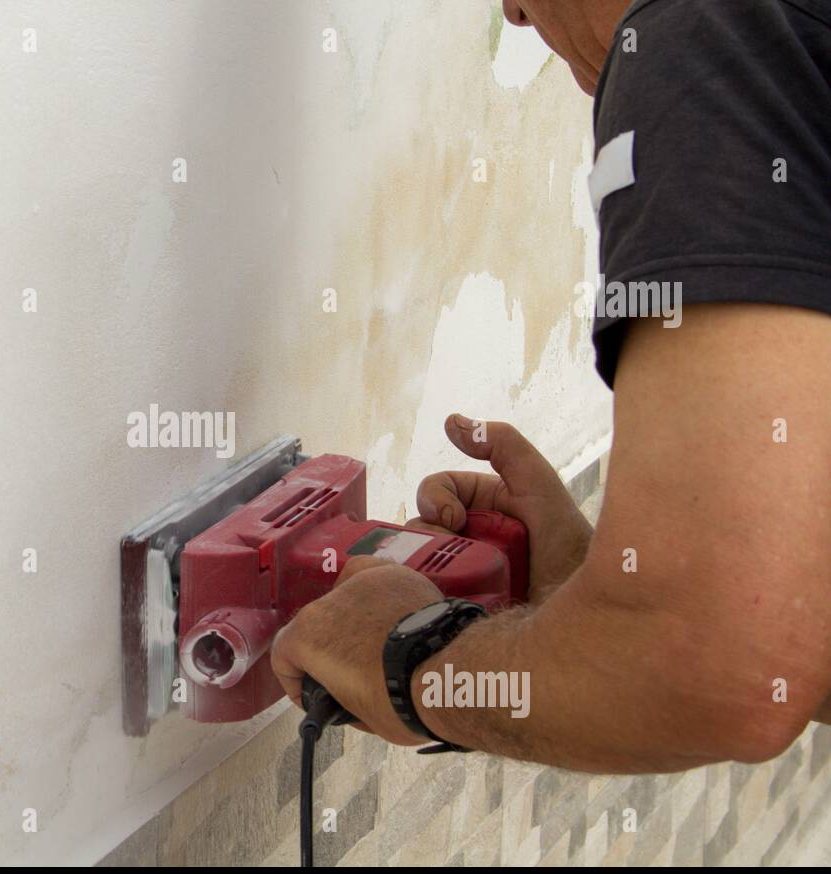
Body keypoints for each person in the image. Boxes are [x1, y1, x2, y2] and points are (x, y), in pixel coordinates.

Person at [271, 0, 831, 773]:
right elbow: (778, 645)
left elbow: (721, 678)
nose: (516, 11)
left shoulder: (705, 34)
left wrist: (411, 662)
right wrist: (592, 583)